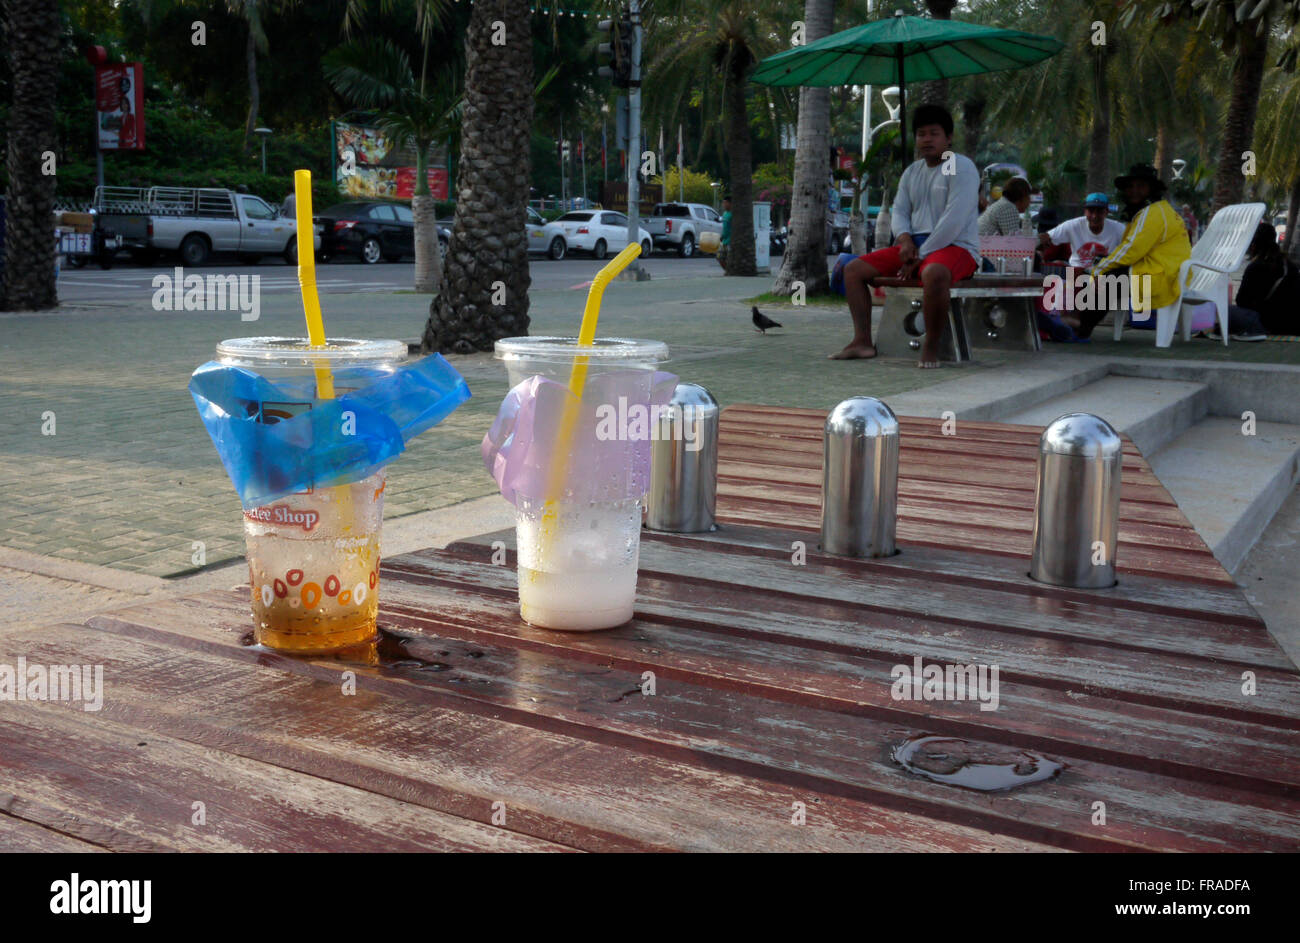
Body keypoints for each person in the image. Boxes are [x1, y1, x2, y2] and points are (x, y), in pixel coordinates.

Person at [830, 104, 980, 368]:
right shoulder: (912, 171)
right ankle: (863, 341)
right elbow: (899, 210)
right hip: (915, 246)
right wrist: (905, 241)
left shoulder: (962, 167)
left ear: (949, 137)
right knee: (853, 270)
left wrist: (921, 255)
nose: (927, 139)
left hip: (956, 246)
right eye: (921, 134)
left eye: (934, 133)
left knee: (932, 272)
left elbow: (953, 220)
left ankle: (931, 347)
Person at [1080, 163, 1190, 339]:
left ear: (1152, 189)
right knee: (1104, 274)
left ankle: (1080, 328)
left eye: (1141, 186)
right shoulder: (1157, 210)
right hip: (1166, 274)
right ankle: (1079, 323)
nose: (1133, 191)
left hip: (1164, 279)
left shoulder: (1153, 213)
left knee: (1109, 278)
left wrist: (1098, 269)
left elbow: (1131, 250)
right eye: (1130, 186)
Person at [1216, 221, 1300, 339]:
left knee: (1226, 311)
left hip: (1265, 324)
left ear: (1253, 243)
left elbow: (1242, 301)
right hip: (1293, 325)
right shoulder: (1290, 265)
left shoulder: (1256, 266)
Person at [717, 196, 732, 271]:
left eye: (725, 203)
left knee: (730, 258)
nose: (724, 204)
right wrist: (722, 236)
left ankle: (730, 271)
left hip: (731, 241)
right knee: (719, 257)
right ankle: (727, 271)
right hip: (724, 240)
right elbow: (725, 227)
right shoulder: (725, 214)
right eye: (723, 203)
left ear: (730, 204)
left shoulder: (733, 214)